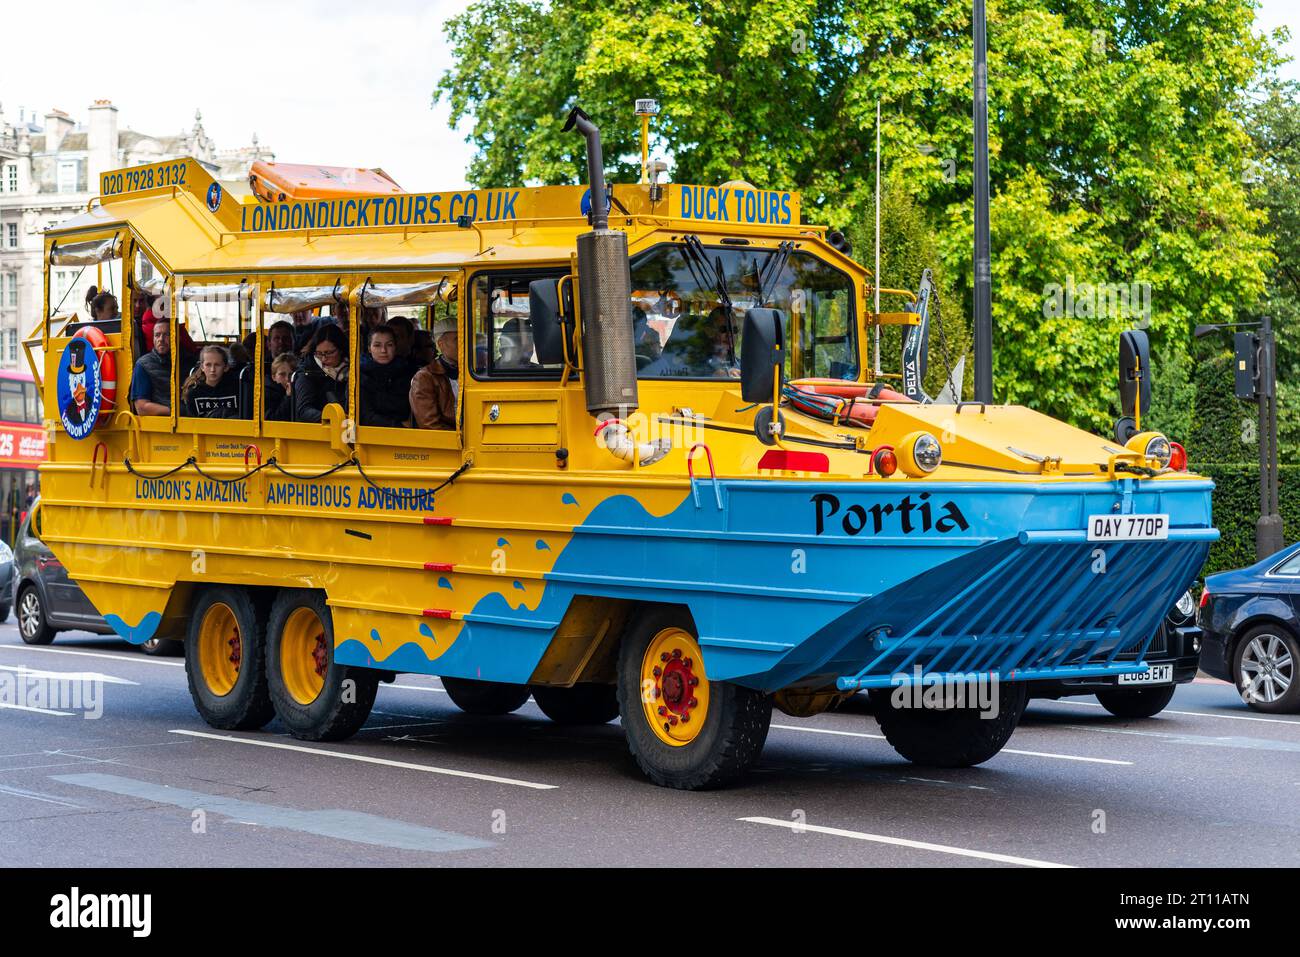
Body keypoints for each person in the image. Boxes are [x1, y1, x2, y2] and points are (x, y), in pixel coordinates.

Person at [359, 325, 415, 428]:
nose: (383, 350)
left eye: (389, 345)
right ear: (369, 349)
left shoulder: (409, 373)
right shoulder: (359, 376)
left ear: (395, 347)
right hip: (370, 436)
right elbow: (364, 416)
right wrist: (398, 425)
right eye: (377, 345)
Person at [295, 324, 349, 423]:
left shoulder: (353, 369)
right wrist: (333, 418)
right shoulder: (308, 372)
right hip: (319, 430)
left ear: (341, 350)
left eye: (329, 353)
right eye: (319, 353)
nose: (323, 359)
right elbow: (303, 410)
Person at [410, 318, 457, 430]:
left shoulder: (474, 371)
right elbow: (430, 424)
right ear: (441, 344)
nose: (464, 344)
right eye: (457, 340)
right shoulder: (425, 377)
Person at [181, 345, 240, 418]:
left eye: (217, 365)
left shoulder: (236, 388)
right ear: (202, 367)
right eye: (208, 365)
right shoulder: (193, 392)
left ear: (226, 367)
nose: (212, 370)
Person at [130, 322, 172, 416]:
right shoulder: (143, 365)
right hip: (162, 423)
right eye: (157, 335)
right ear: (153, 339)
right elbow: (141, 407)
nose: (161, 339)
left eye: (166, 334)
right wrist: (176, 412)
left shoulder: (185, 360)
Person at [266, 353, 296, 421]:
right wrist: (288, 397)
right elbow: (272, 420)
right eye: (282, 374)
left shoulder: (299, 389)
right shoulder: (267, 393)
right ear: (273, 377)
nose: (287, 379)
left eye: (291, 374)